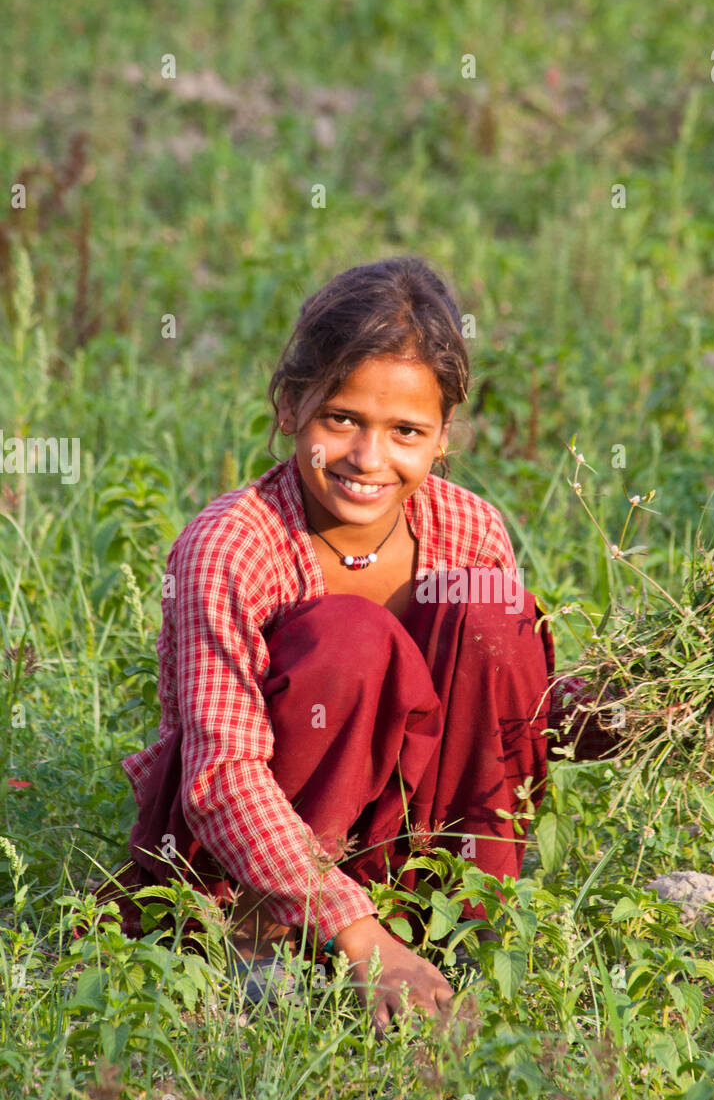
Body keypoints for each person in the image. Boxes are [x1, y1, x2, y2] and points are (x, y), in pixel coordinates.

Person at [117, 256, 623, 1035]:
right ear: (291, 405)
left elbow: (520, 717)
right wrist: (353, 929)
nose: (367, 458)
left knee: (494, 619)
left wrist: (651, 713)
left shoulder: (468, 530)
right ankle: (263, 949)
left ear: (442, 437)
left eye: (406, 432)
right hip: (250, 869)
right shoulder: (233, 546)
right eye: (341, 419)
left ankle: (466, 928)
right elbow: (220, 777)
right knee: (350, 637)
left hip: (410, 859)